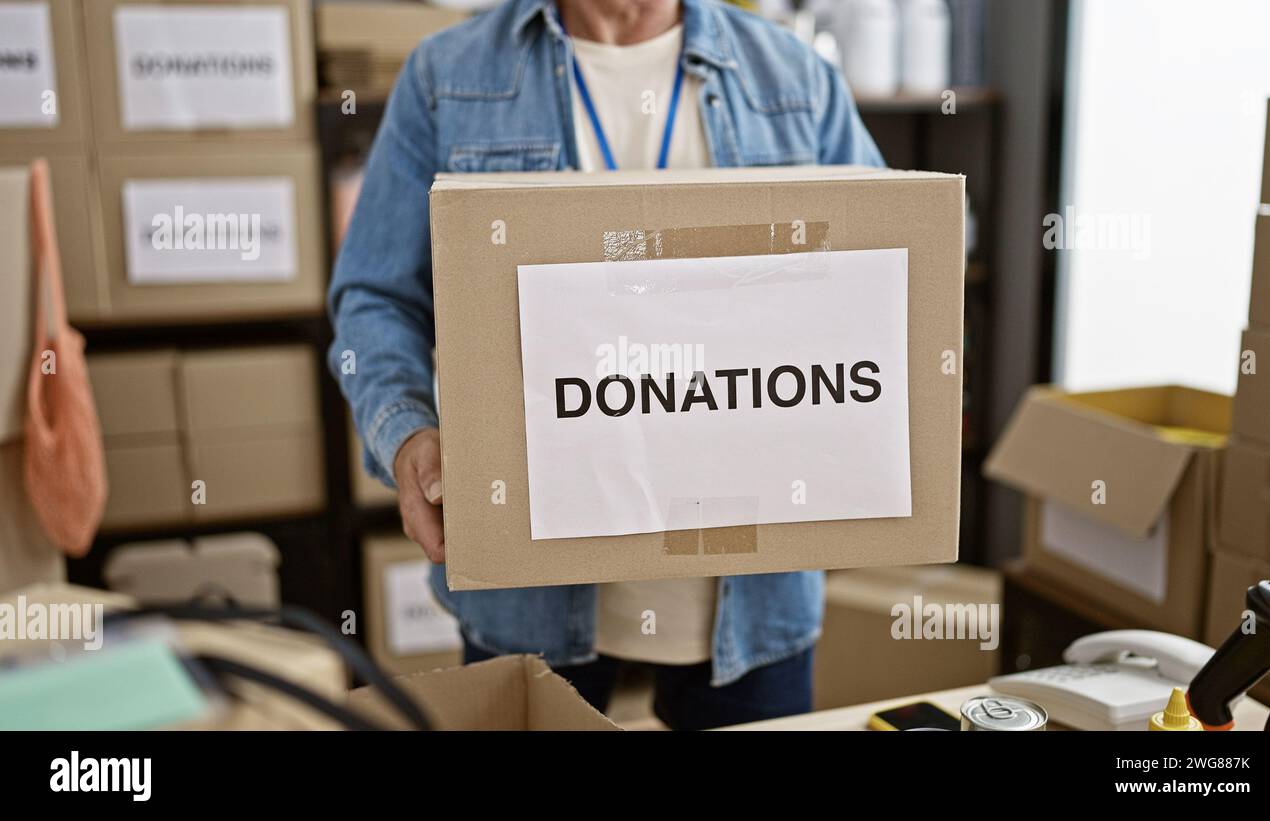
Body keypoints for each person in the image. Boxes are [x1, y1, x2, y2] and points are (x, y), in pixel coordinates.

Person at [329, 0, 884, 729]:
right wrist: (406, 434)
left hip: (753, 595)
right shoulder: (449, 74)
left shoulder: (794, 77)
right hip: (525, 589)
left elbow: (880, 283)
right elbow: (373, 296)